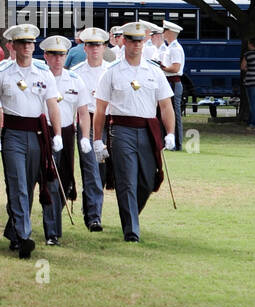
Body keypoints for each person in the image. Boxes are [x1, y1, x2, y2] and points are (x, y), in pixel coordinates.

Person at [0, 24, 63, 259]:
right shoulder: (2, 74)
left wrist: (57, 134)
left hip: (37, 134)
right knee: (17, 186)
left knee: (28, 186)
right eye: (22, 43)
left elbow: (53, 105)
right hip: (13, 133)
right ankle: (25, 236)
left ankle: (14, 232)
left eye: (30, 43)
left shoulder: (43, 74)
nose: (27, 47)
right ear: (13, 46)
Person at [92, 23, 176, 242]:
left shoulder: (154, 71)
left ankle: (130, 215)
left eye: (140, 41)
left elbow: (166, 105)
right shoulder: (111, 72)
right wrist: (97, 140)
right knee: (127, 180)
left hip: (148, 130)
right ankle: (131, 230)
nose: (136, 45)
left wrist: (170, 132)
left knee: (148, 180)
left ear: (144, 42)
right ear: (125, 42)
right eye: (132, 40)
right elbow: (100, 109)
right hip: (121, 130)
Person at [39, 35, 92, 245]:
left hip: (68, 134)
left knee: (65, 180)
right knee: (50, 181)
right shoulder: (39, 77)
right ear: (46, 56)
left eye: (61, 54)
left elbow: (83, 111)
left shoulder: (75, 79)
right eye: (53, 54)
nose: (58, 59)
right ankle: (52, 232)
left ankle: (52, 218)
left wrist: (85, 137)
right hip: (43, 131)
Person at [68, 28, 107, 229]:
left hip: (110, 122)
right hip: (88, 122)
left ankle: (89, 205)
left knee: (102, 171)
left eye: (98, 45)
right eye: (90, 45)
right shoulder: (76, 73)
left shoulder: (111, 70)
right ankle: (94, 217)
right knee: (91, 168)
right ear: (84, 48)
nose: (94, 49)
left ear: (104, 47)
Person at [158, 20, 185, 150]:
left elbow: (175, 68)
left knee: (174, 113)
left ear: (169, 33)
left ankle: (177, 144)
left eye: (164, 31)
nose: (162, 33)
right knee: (170, 112)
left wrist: (162, 67)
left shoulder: (174, 48)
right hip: (170, 81)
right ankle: (172, 142)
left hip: (173, 81)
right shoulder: (170, 47)